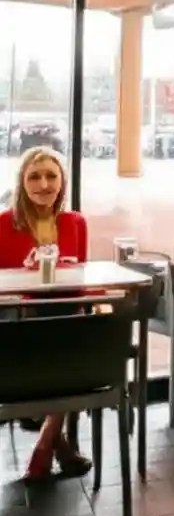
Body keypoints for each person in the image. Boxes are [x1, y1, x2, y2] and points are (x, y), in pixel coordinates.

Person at [0, 146, 93, 482]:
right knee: (67, 344)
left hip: (65, 316)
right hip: (16, 321)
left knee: (79, 334)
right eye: (34, 176)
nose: (43, 184)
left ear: (62, 181)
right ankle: (58, 444)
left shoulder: (75, 222)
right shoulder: (2, 224)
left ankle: (45, 440)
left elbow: (82, 283)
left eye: (51, 176)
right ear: (22, 182)